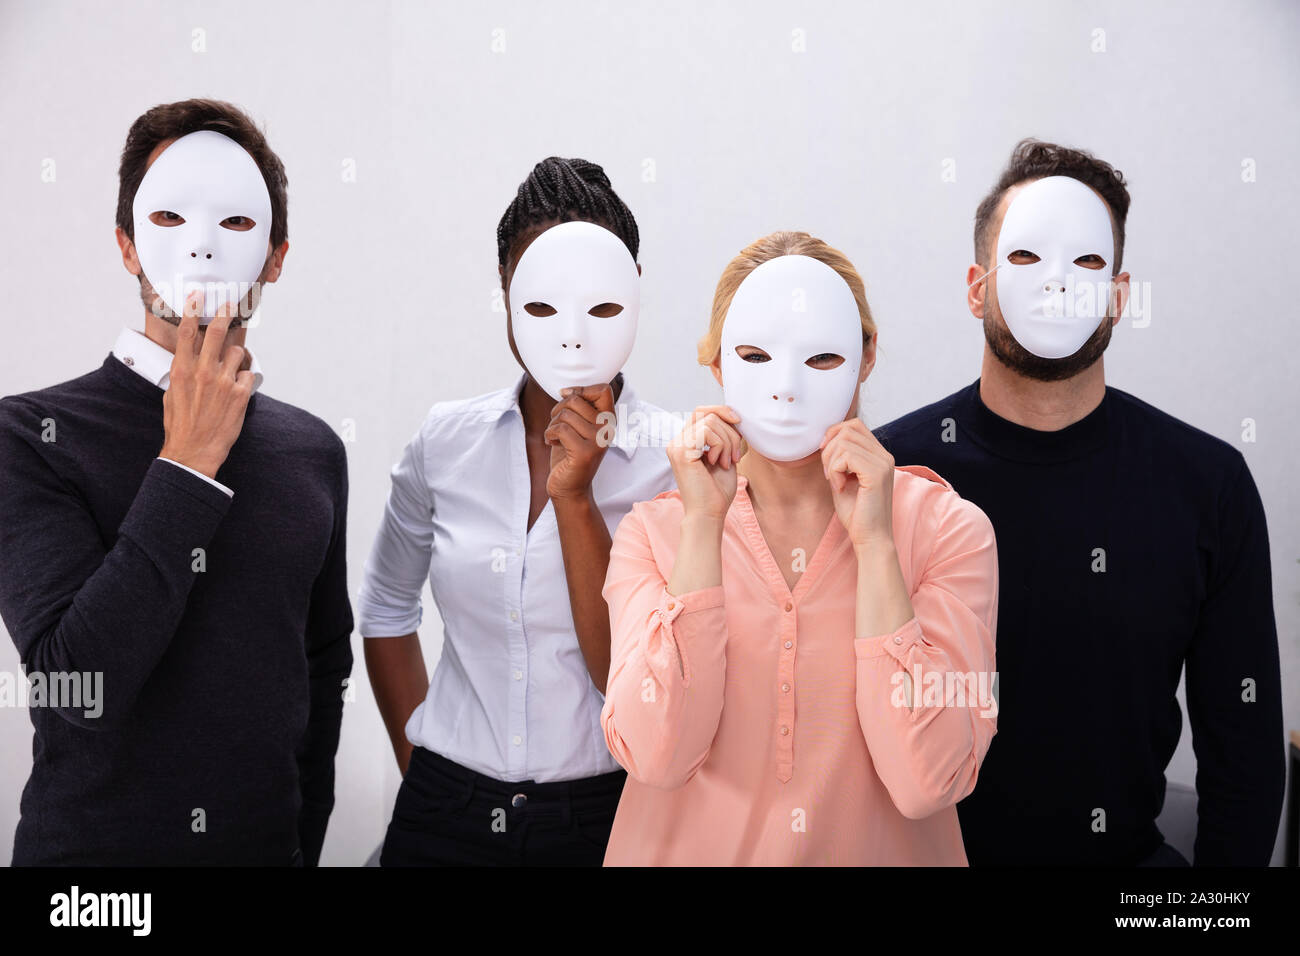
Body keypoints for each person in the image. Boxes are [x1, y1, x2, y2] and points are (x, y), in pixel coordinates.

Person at [874, 139, 1285, 866]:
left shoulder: (1207, 484)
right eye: (1026, 258)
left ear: (1120, 297)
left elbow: (1243, 749)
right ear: (977, 287)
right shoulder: (889, 475)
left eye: (1088, 262)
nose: (1055, 283)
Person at [0, 98, 353, 865]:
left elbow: (323, 668)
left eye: (233, 223)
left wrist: (298, 843)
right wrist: (185, 462)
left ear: (277, 255)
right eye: (168, 220)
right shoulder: (27, 437)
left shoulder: (313, 449)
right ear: (127, 247)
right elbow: (76, 688)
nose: (201, 247)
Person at [600, 231, 999, 865]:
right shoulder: (652, 533)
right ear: (717, 362)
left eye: (819, 358)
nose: (785, 387)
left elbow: (932, 780)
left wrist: (876, 548)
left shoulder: (952, 531)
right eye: (755, 354)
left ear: (865, 357)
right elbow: (656, 755)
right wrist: (703, 525)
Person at [360, 157, 674, 866]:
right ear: (505, 292)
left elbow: (642, 676)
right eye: (538, 299)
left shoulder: (680, 461)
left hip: (608, 815)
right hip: (445, 808)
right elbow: (384, 609)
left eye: (597, 301)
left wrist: (576, 496)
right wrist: (429, 772)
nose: (569, 331)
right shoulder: (445, 441)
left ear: (632, 290)